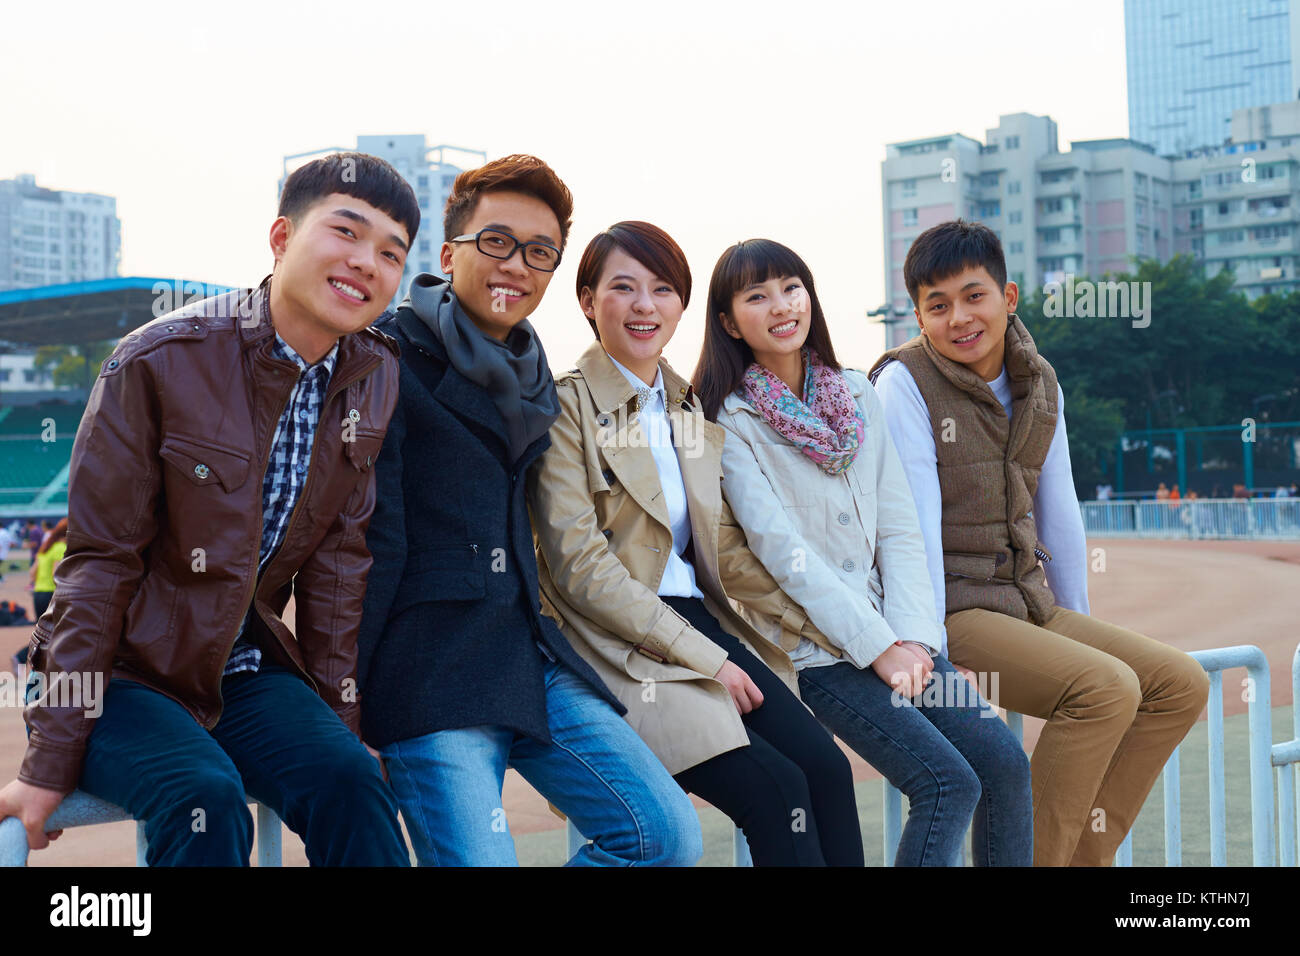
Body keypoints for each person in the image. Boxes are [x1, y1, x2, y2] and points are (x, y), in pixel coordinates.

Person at [0, 151, 416, 865]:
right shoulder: (158, 359)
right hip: (119, 675)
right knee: (203, 798)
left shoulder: (373, 375)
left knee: (354, 783)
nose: (366, 262)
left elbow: (338, 570)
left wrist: (337, 727)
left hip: (243, 667)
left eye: (389, 251)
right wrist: (48, 762)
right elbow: (97, 567)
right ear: (282, 239)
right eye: (345, 232)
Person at [357, 162, 700, 867]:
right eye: (497, 242)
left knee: (662, 837)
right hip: (428, 676)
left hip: (529, 658)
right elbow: (370, 544)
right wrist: (348, 697)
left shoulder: (534, 373)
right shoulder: (384, 357)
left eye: (539, 252)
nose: (517, 265)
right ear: (449, 253)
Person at [870, 219, 1209, 866]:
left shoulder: (1039, 383)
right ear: (917, 315)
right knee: (1104, 689)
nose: (959, 318)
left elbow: (1061, 511)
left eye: (975, 296)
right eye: (937, 306)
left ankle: (1083, 858)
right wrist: (933, 648)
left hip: (1025, 599)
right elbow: (907, 531)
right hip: (951, 607)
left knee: (1180, 683)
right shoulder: (902, 384)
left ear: (1010, 297)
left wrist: (1070, 621)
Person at [530, 223, 864, 866]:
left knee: (824, 769)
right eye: (622, 288)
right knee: (776, 792)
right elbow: (580, 568)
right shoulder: (564, 405)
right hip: (621, 643)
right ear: (586, 299)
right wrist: (706, 660)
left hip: (705, 624)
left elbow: (724, 550)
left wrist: (842, 632)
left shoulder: (685, 409)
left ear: (683, 304)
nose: (644, 306)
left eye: (663, 289)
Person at [695, 238, 1030, 866]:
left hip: (900, 637)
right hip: (817, 649)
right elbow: (782, 554)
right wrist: (877, 648)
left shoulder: (854, 392)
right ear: (727, 320)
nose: (780, 306)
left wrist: (914, 641)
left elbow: (899, 527)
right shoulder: (730, 419)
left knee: (1004, 765)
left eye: (791, 288)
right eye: (756, 296)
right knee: (945, 783)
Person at [28, 517, 67, 622]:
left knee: (42, 634)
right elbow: (56, 574)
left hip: (38, 593)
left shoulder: (45, 548)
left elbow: (32, 573)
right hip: (51, 594)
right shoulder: (61, 548)